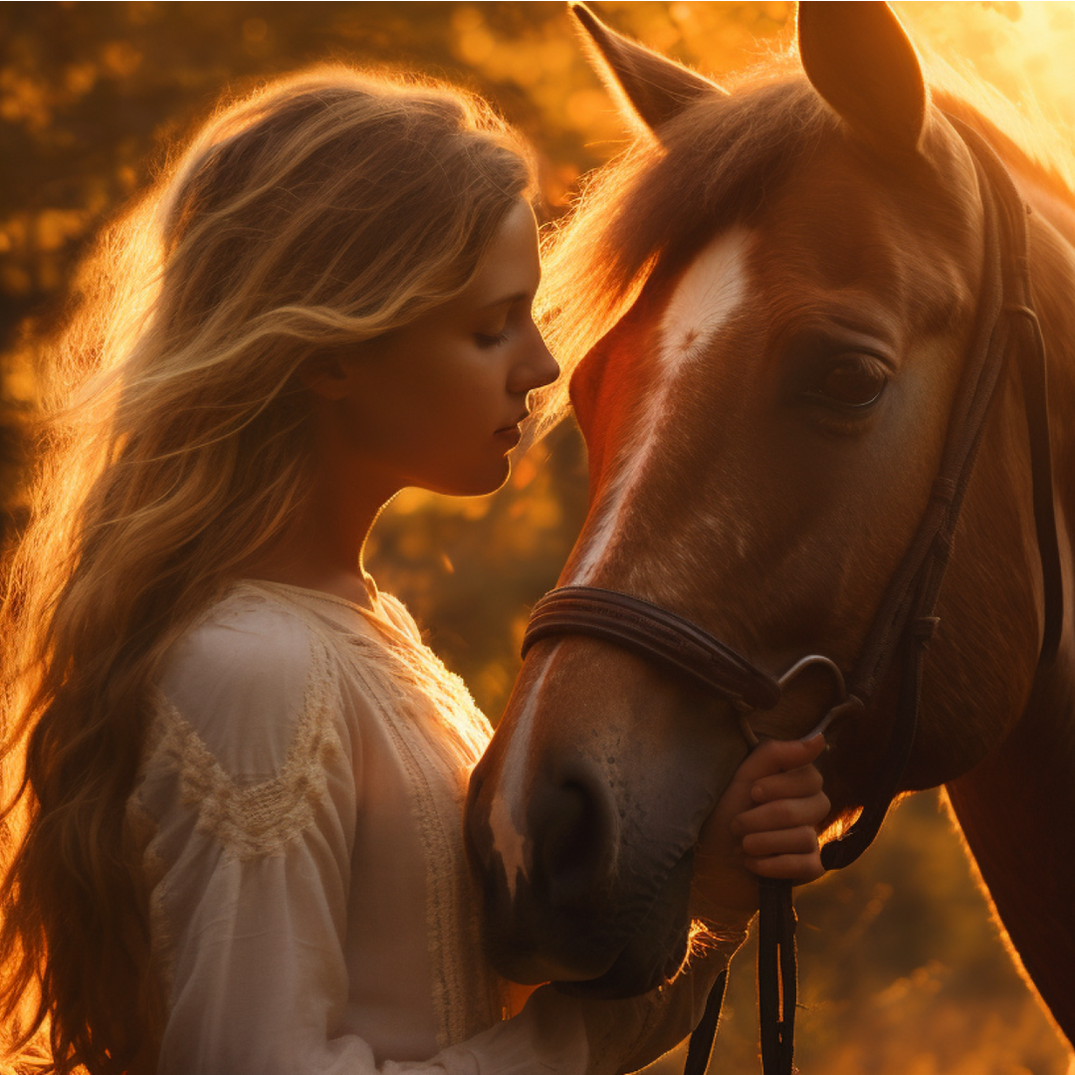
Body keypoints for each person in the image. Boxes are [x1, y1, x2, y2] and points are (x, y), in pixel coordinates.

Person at [0, 66, 829, 1075]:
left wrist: (714, 899)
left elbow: (481, 1024)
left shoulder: (360, 629)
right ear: (330, 352)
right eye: (490, 326)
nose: (542, 365)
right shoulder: (256, 667)